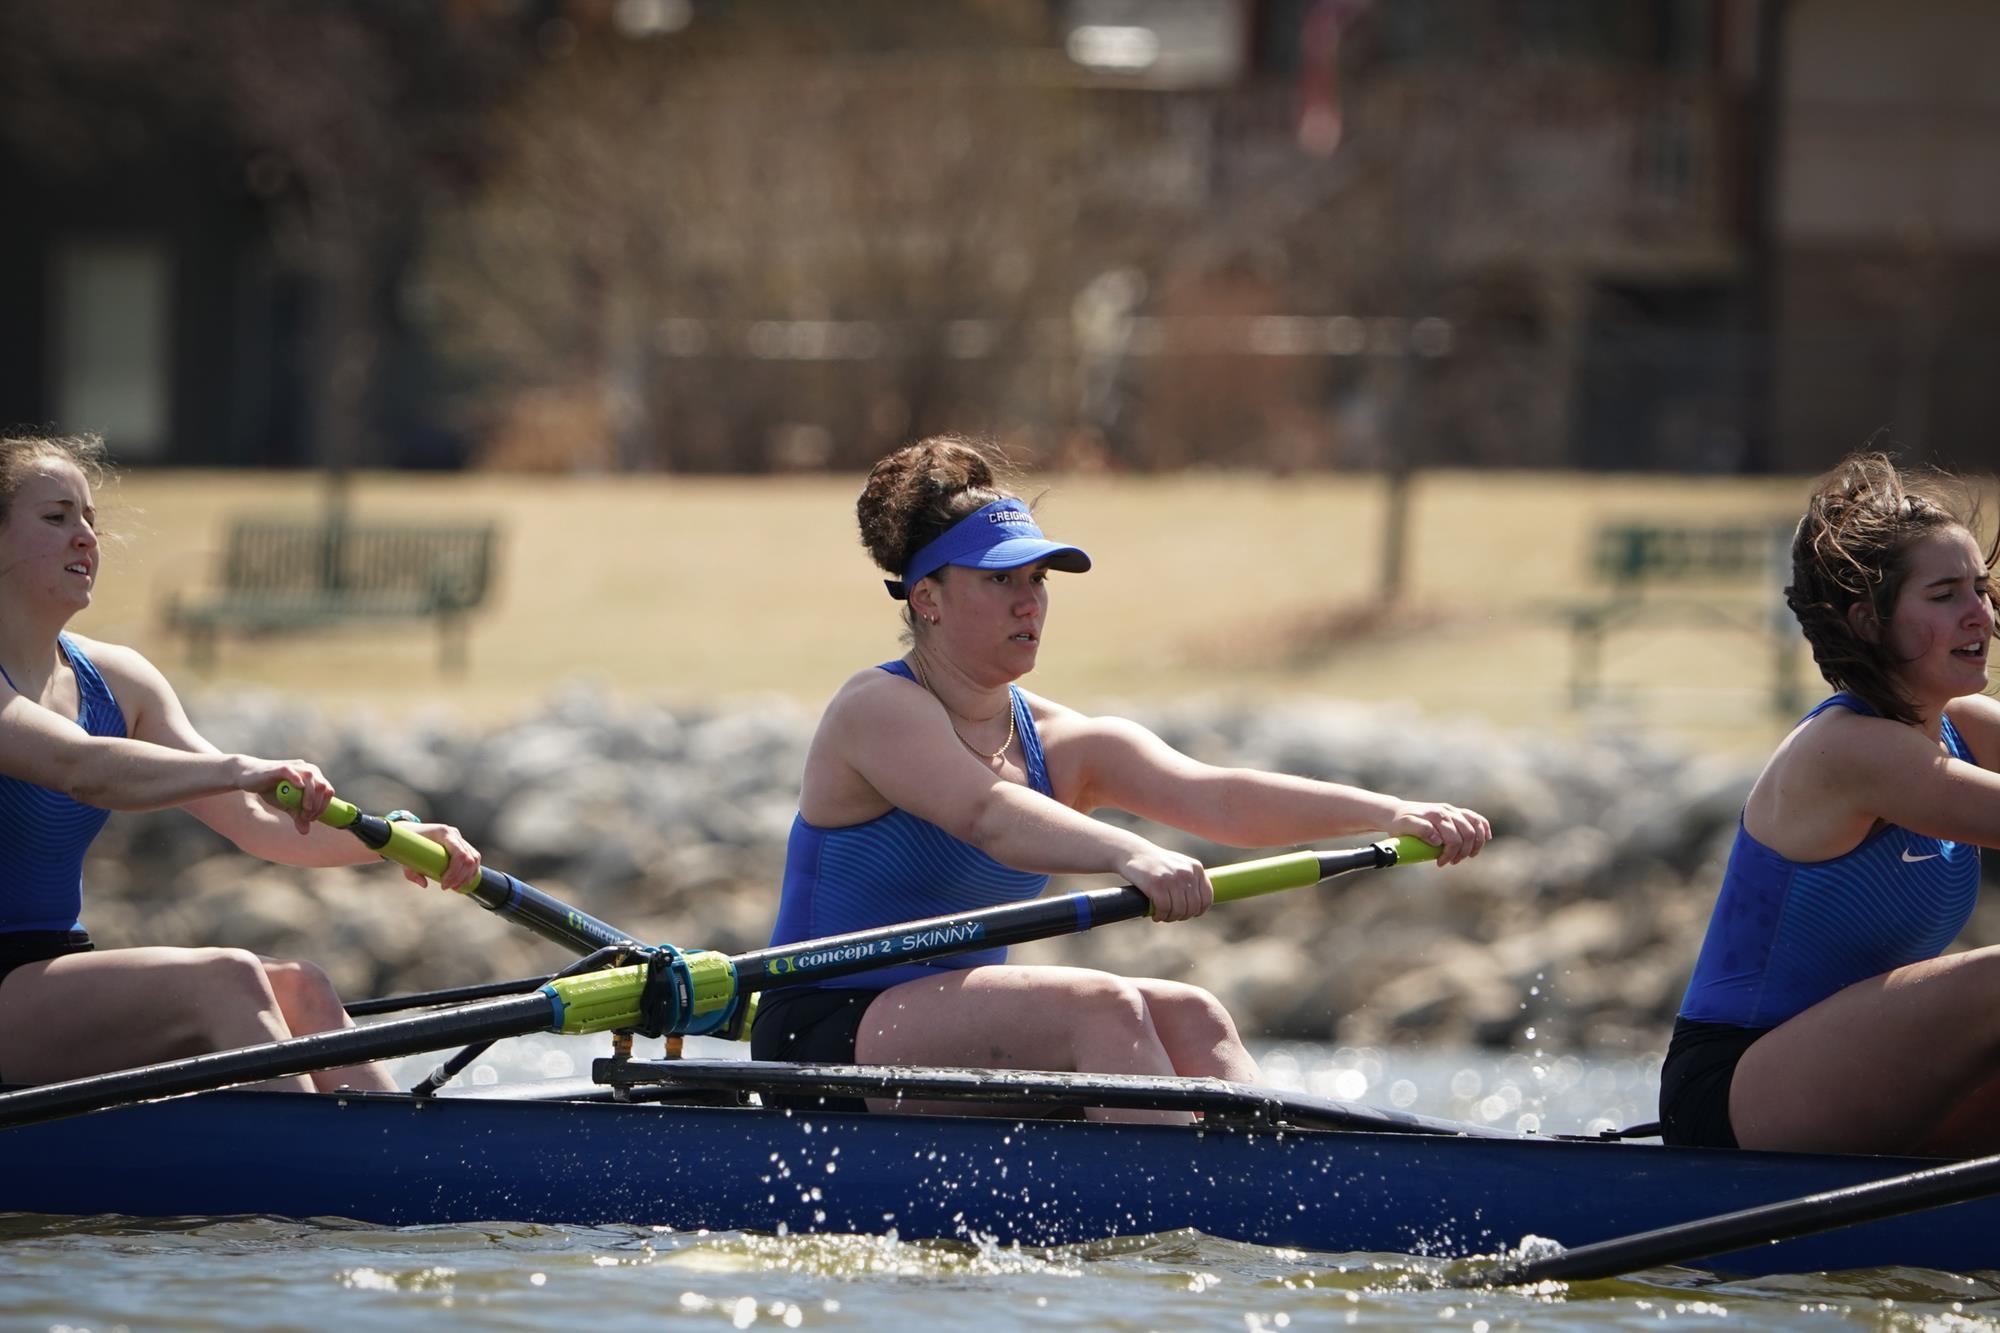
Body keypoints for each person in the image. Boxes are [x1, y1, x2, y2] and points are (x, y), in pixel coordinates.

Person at [750, 435, 1490, 1121]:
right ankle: (1179, 1227)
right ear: (928, 600)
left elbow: (1218, 798)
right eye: (1000, 578)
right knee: (1101, 1006)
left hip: (935, 1031)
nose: (1029, 601)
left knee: (1196, 1014)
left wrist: (1391, 811)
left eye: (1037, 579)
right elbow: (990, 816)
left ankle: (1298, 1194)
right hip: (823, 1026)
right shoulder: (877, 708)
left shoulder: (1066, 742)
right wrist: (1128, 853)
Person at [0, 432, 483, 1092]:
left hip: (48, 977)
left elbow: (259, 821)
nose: (85, 536)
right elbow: (82, 768)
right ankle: (309, 1188)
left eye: (90, 519)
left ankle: (403, 1183)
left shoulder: (119, 682)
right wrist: (237, 766)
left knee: (304, 989)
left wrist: (394, 838)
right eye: (56, 518)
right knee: (229, 979)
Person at [1662, 451, 2000, 1156]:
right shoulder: (1849, 750)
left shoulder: (1961, 725)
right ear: (1868, 622)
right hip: (1734, 1095)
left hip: (1851, 1081)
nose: (1981, 614)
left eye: (1982, 587)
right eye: (1945, 595)